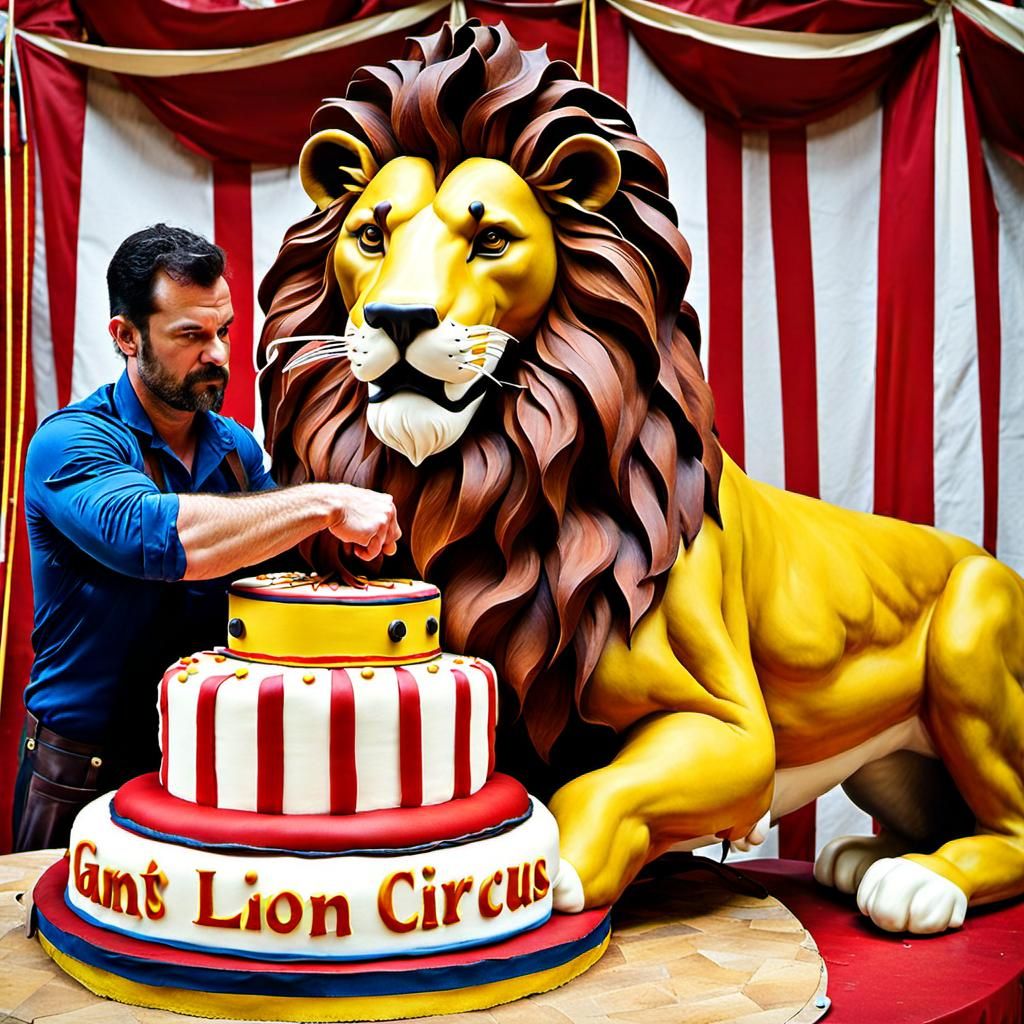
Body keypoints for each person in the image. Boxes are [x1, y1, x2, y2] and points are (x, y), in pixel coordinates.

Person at [13, 224, 399, 851]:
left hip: (203, 761)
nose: (218, 355)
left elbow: (282, 557)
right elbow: (159, 541)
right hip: (83, 771)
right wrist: (326, 501)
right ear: (125, 336)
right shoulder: (69, 443)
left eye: (223, 331)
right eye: (191, 335)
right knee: (56, 943)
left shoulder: (237, 450)